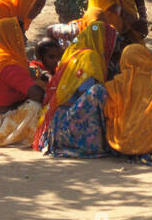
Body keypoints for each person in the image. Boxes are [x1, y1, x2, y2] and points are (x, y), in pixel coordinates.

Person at [34, 22, 118, 158]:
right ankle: (91, 141)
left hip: (56, 121)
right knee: (99, 92)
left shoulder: (72, 52)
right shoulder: (90, 57)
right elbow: (86, 94)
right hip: (68, 122)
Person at [0, 18, 45, 146]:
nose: (24, 40)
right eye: (20, 35)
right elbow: (37, 94)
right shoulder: (8, 66)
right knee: (34, 106)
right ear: (11, 37)